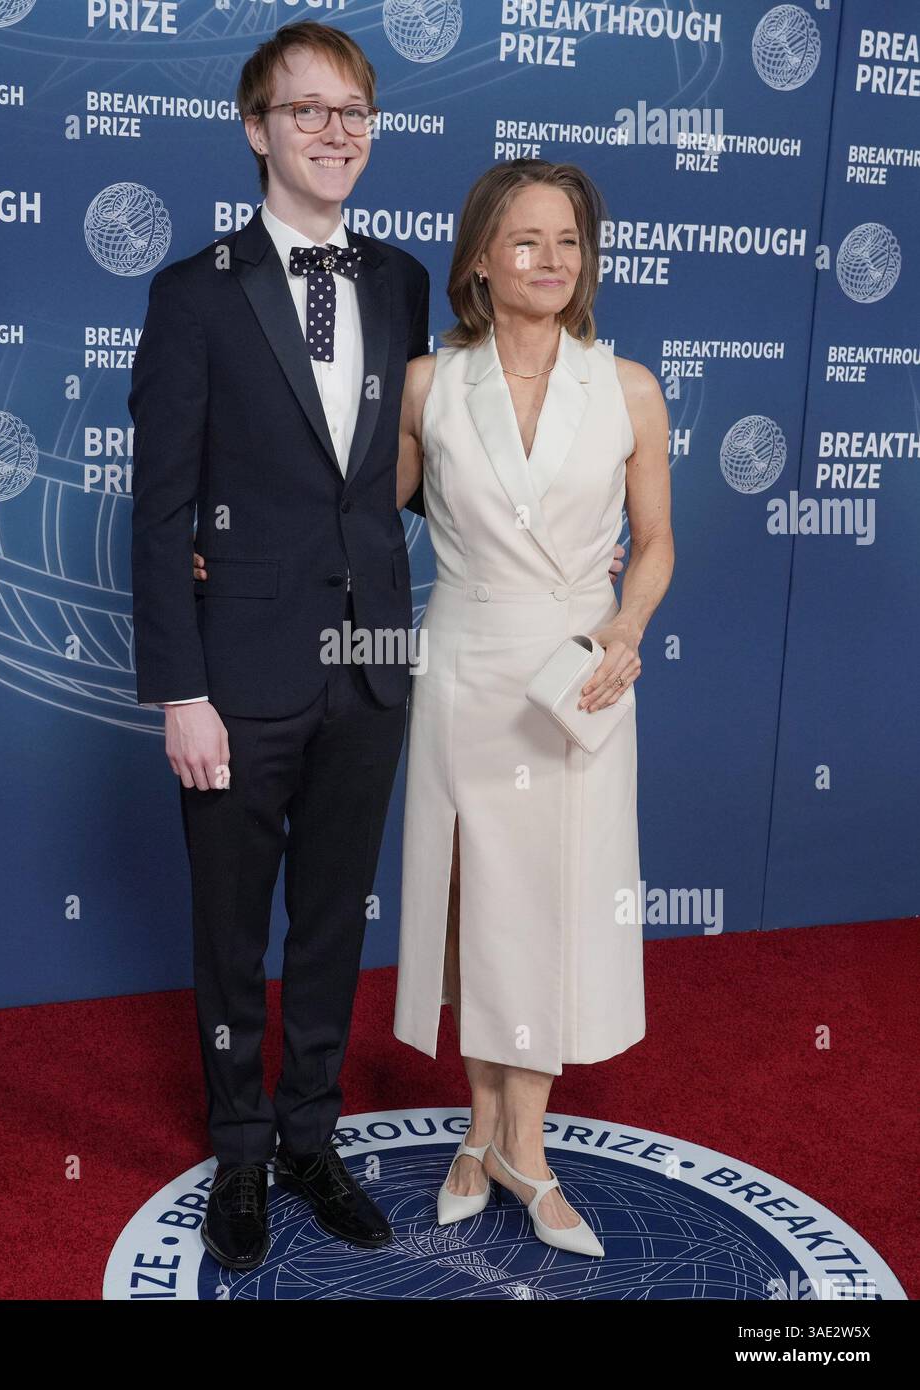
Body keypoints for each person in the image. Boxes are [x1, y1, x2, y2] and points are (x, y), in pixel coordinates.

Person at [128, 21, 430, 1271]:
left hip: (370, 650)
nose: (335, 132)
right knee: (227, 922)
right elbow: (156, 511)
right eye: (308, 111)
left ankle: (312, 1133)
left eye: (353, 110)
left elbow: (403, 473)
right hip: (237, 673)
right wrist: (180, 688)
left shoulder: (405, 282)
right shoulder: (192, 291)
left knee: (329, 919)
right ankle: (242, 1149)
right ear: (257, 130)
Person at [391, 160, 674, 1255]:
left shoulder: (629, 388)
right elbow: (358, 516)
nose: (550, 261)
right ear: (476, 260)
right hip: (464, 656)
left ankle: (527, 1143)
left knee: (554, 902)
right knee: (476, 895)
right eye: (524, 241)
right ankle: (479, 1131)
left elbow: (650, 544)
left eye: (567, 241)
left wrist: (624, 626)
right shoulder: (426, 385)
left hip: (578, 669)